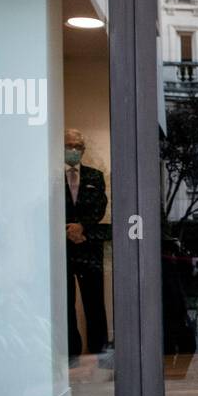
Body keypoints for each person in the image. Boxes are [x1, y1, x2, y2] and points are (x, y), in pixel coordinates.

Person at [63, 128, 109, 360]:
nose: (72, 150)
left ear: (83, 150)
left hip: (89, 247)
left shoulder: (94, 176)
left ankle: (99, 352)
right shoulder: (51, 177)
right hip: (62, 249)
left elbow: (99, 207)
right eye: (68, 145)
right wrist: (67, 229)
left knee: (94, 301)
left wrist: (82, 227)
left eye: (77, 147)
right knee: (65, 303)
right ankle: (71, 353)